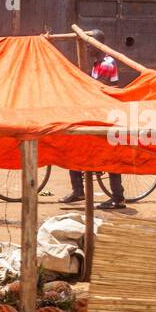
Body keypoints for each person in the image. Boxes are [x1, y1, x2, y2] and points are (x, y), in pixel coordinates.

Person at [60, 57, 126, 210]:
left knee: (110, 158)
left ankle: (118, 197)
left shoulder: (106, 64)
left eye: (90, 45)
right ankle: (78, 191)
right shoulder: (96, 63)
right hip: (98, 111)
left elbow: (97, 88)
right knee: (76, 147)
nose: (88, 49)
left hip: (107, 113)